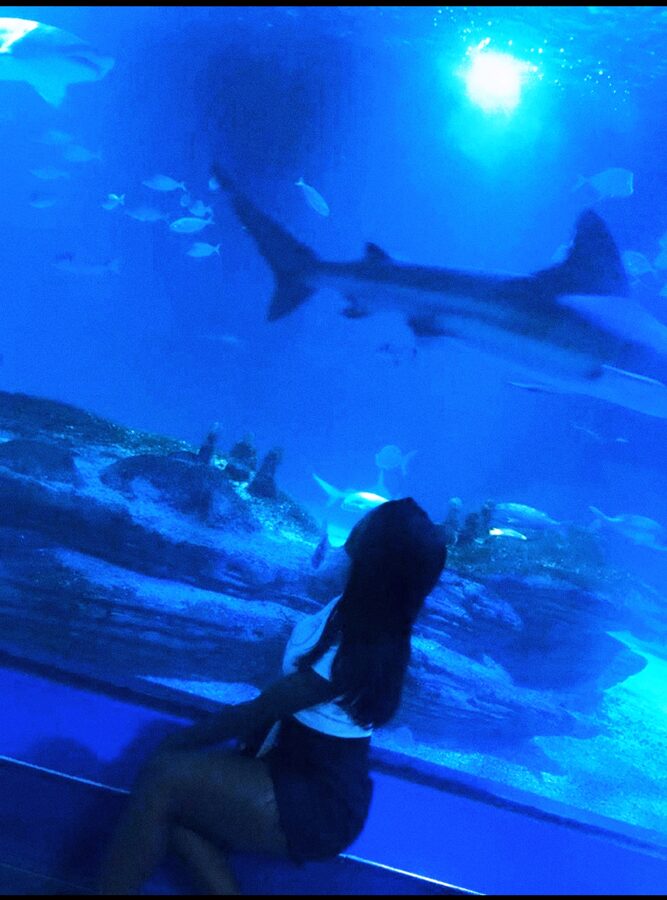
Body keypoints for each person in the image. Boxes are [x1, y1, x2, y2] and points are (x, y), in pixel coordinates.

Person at [98, 497, 447, 894]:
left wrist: (173, 743)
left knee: (164, 777)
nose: (361, 522)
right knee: (178, 816)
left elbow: (263, 708)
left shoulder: (359, 650)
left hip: (318, 799)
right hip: (293, 766)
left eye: (371, 520)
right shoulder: (359, 610)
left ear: (380, 555)